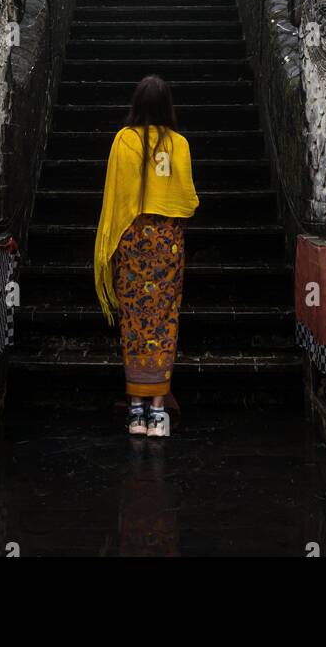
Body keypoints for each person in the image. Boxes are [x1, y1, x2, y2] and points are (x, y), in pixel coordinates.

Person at [94, 75, 199, 437]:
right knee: (164, 319)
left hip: (131, 241)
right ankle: (158, 412)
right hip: (166, 243)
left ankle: (136, 412)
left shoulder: (123, 141)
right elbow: (186, 201)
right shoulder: (179, 144)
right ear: (168, 104)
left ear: (136, 104)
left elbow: (117, 195)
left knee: (134, 321)